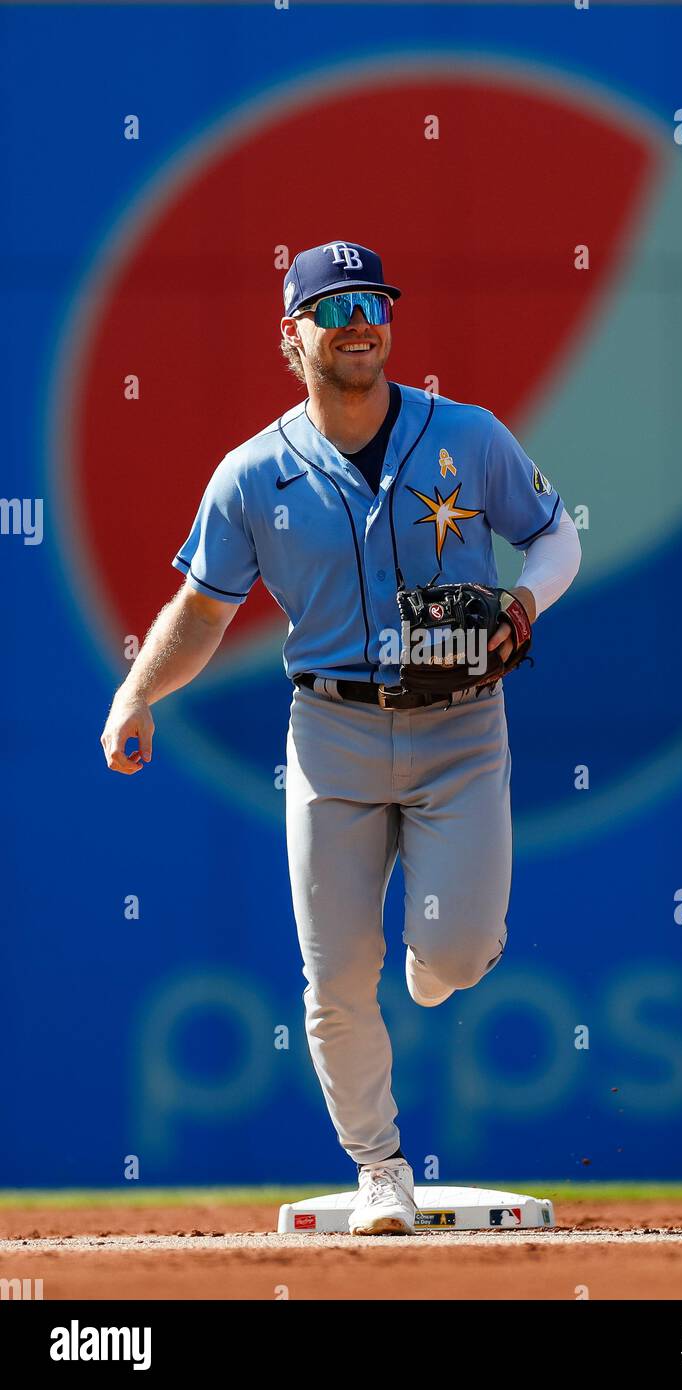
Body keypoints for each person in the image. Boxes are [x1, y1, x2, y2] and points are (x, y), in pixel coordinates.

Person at [100, 240, 582, 1234]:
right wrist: (135, 694)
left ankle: (440, 959)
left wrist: (525, 601)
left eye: (374, 303)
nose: (361, 320)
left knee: (448, 955)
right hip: (330, 733)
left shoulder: (466, 434)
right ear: (293, 335)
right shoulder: (252, 475)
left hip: (459, 726)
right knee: (332, 979)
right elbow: (202, 608)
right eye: (335, 307)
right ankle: (379, 1172)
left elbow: (552, 530)